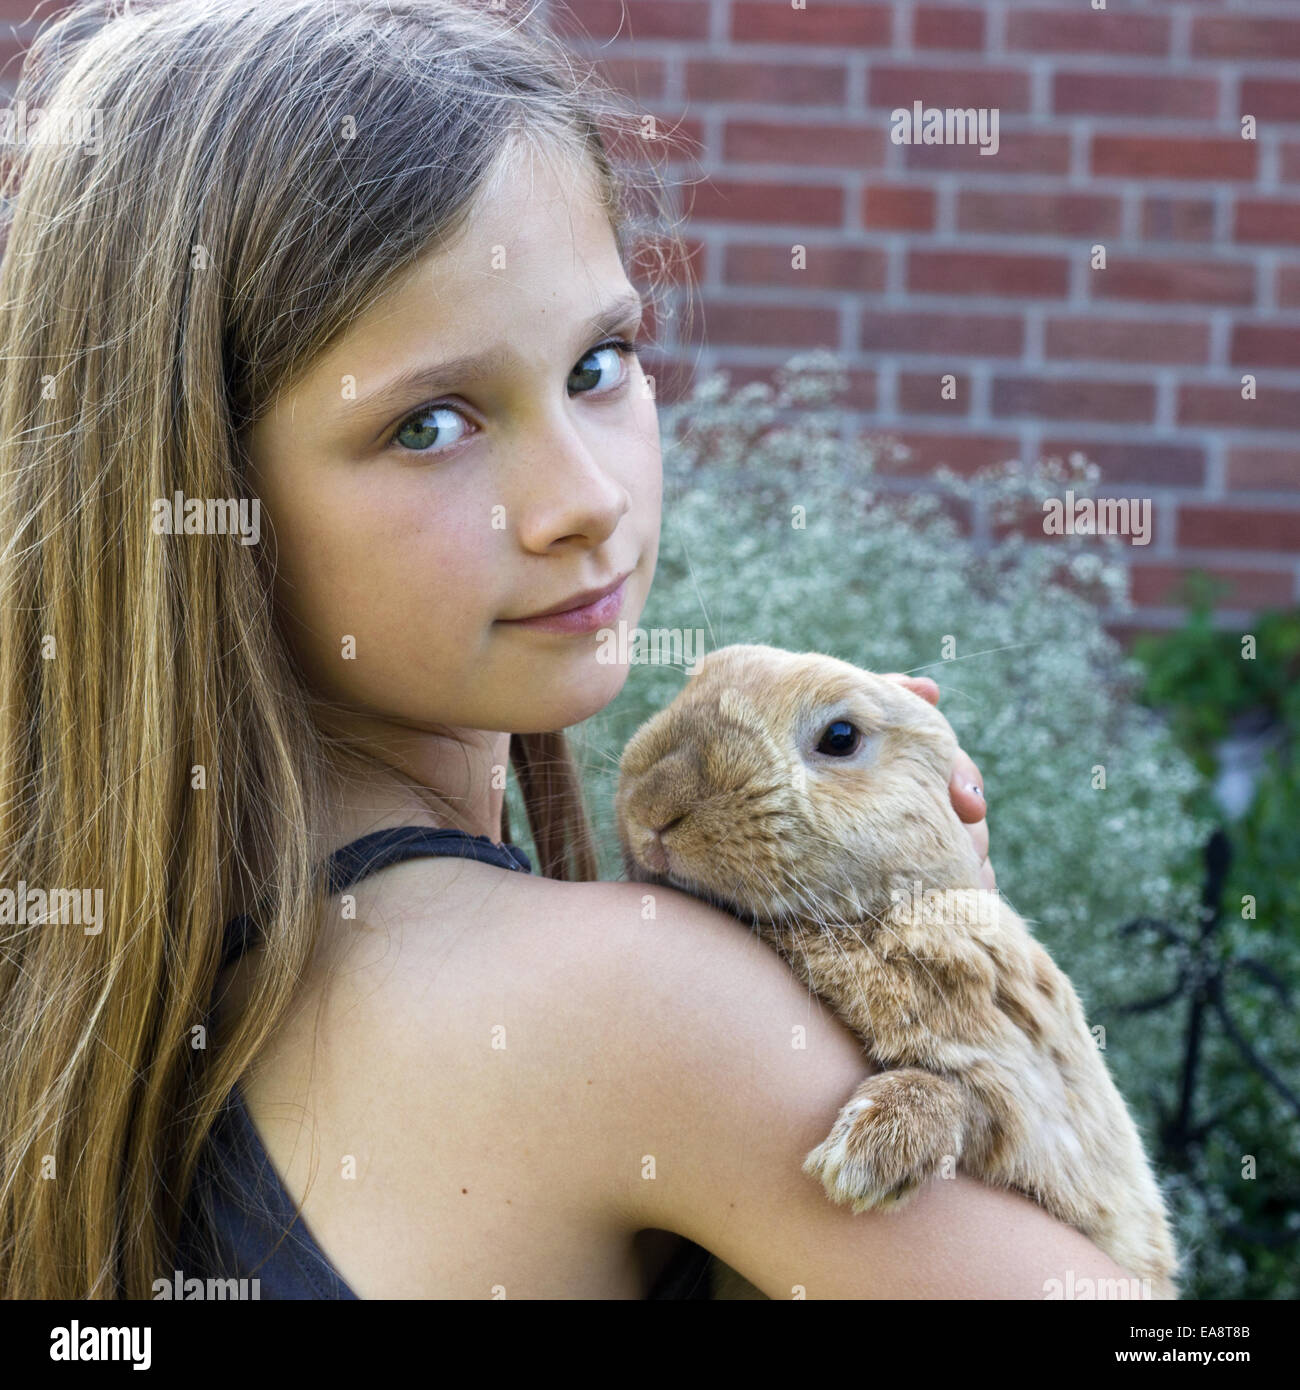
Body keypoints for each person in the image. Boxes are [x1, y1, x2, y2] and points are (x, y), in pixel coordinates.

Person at [0, 0, 1147, 1299]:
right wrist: (966, 992)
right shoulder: (629, 1005)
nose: (587, 496)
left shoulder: (87, 995)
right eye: (431, 425)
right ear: (199, 497)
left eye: (602, 360)